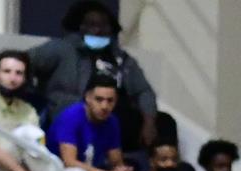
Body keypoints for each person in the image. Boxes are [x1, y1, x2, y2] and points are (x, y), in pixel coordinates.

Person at [28, 0, 156, 149]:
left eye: (104, 25)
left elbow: (144, 91)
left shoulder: (122, 58)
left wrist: (149, 122)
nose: (98, 30)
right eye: (92, 25)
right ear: (80, 27)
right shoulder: (61, 49)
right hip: (75, 112)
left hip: (114, 113)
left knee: (165, 122)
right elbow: (23, 63)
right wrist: (32, 95)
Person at [48, 74, 128, 171]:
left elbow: (117, 162)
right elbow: (69, 162)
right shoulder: (72, 116)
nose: (104, 106)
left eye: (110, 101)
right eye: (99, 99)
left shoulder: (112, 122)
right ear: (88, 98)